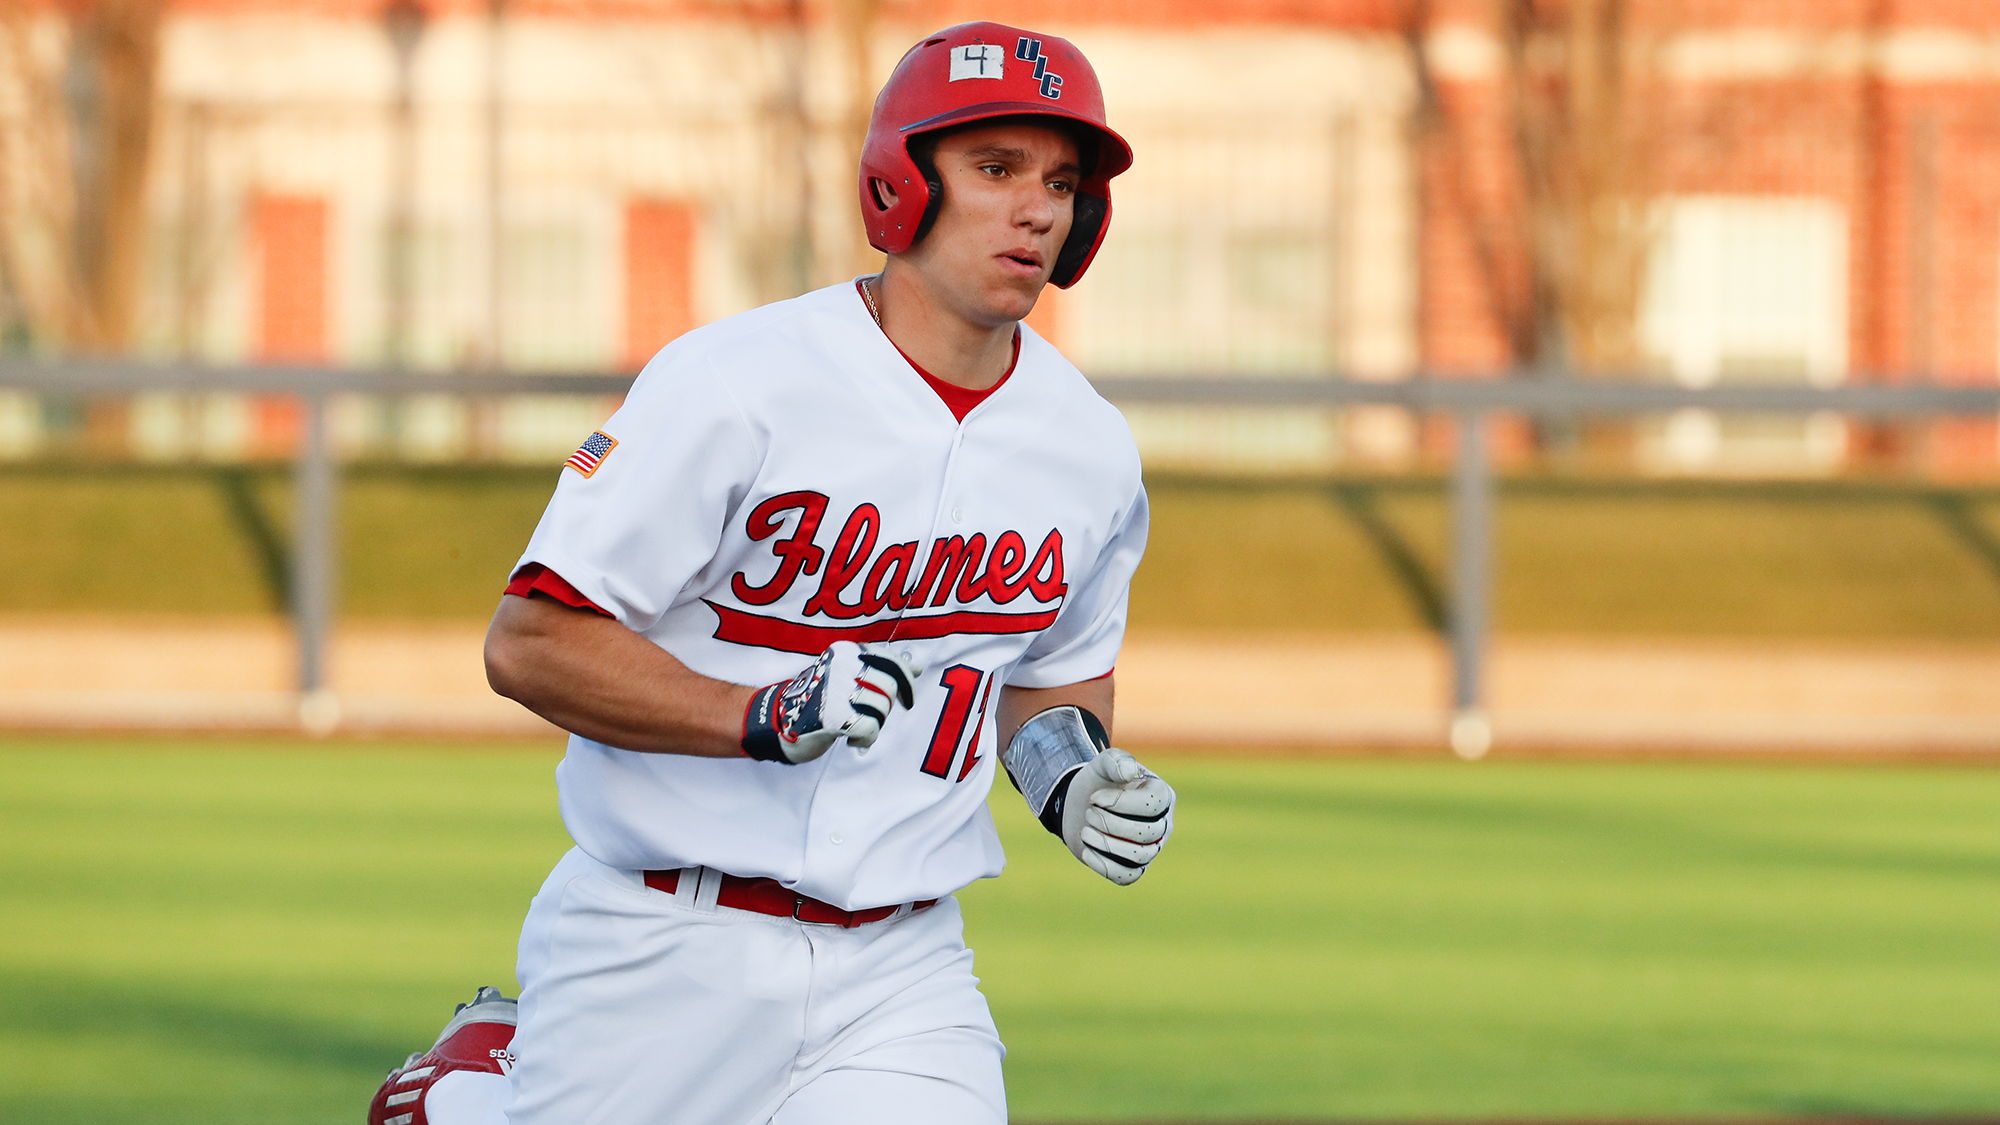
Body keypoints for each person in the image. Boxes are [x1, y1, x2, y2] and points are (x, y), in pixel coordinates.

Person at [368, 21, 1176, 1125]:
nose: (1035, 207)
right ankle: (465, 1098)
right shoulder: (734, 383)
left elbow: (1049, 675)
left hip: (903, 967)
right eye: (994, 168)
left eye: (1062, 181)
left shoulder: (1086, 446)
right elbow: (530, 642)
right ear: (902, 184)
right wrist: (756, 714)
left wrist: (1068, 778)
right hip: (659, 943)